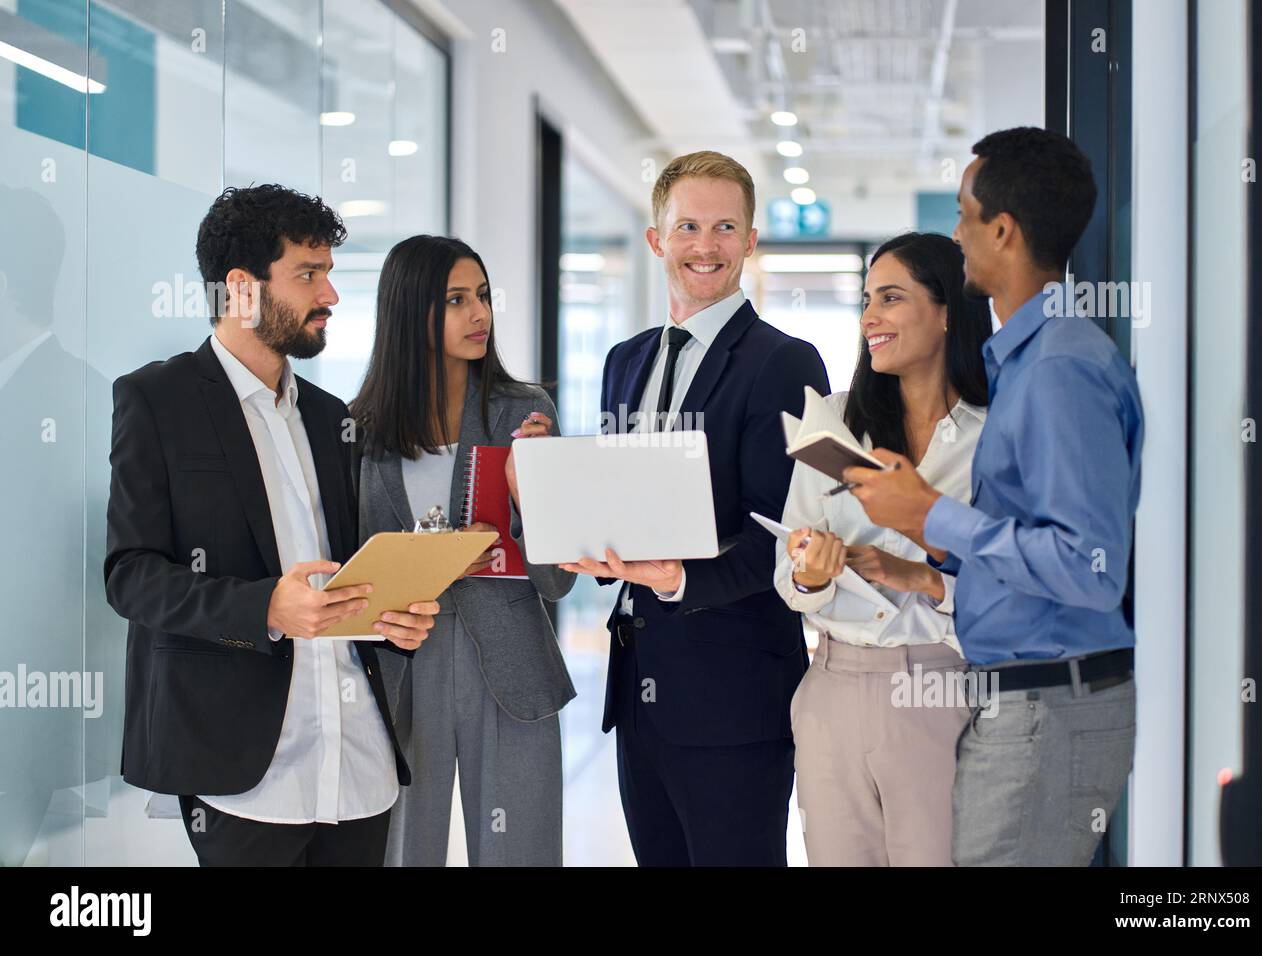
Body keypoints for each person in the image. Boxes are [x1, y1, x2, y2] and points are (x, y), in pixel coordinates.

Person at [104, 185, 438, 866]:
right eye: (308, 275)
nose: (331, 297)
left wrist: (391, 621)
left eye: (330, 275)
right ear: (241, 288)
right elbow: (131, 575)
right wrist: (266, 607)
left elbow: (344, 569)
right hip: (243, 771)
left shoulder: (330, 416)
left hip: (357, 761)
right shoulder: (155, 400)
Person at [842, 127, 1144, 866]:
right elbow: (1036, 538)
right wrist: (936, 544)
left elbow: (1091, 567)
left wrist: (929, 515)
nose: (957, 232)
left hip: (1047, 703)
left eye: (963, 214)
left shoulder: (1058, 370)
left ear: (1002, 231)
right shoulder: (1028, 361)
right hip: (1025, 701)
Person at [562, 150, 830, 866]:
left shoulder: (786, 362)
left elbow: (781, 535)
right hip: (638, 690)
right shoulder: (626, 360)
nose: (704, 246)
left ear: (749, 241)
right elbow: (622, 506)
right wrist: (583, 532)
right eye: (687, 226)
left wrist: (674, 579)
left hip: (734, 696)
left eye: (724, 227)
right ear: (657, 240)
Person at [350, 235, 576, 866]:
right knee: (399, 853)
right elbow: (352, 571)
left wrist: (529, 499)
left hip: (509, 662)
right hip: (403, 663)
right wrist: (432, 557)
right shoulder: (359, 429)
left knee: (520, 853)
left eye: (481, 296)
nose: (480, 313)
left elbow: (558, 581)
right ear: (408, 311)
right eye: (456, 300)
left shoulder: (523, 413)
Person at [776, 232, 991, 866]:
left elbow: (1014, 585)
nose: (870, 316)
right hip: (831, 690)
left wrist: (920, 576)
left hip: (942, 688)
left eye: (891, 298)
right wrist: (811, 575)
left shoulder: (995, 436)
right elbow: (788, 577)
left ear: (947, 309)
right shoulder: (836, 421)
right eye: (867, 299)